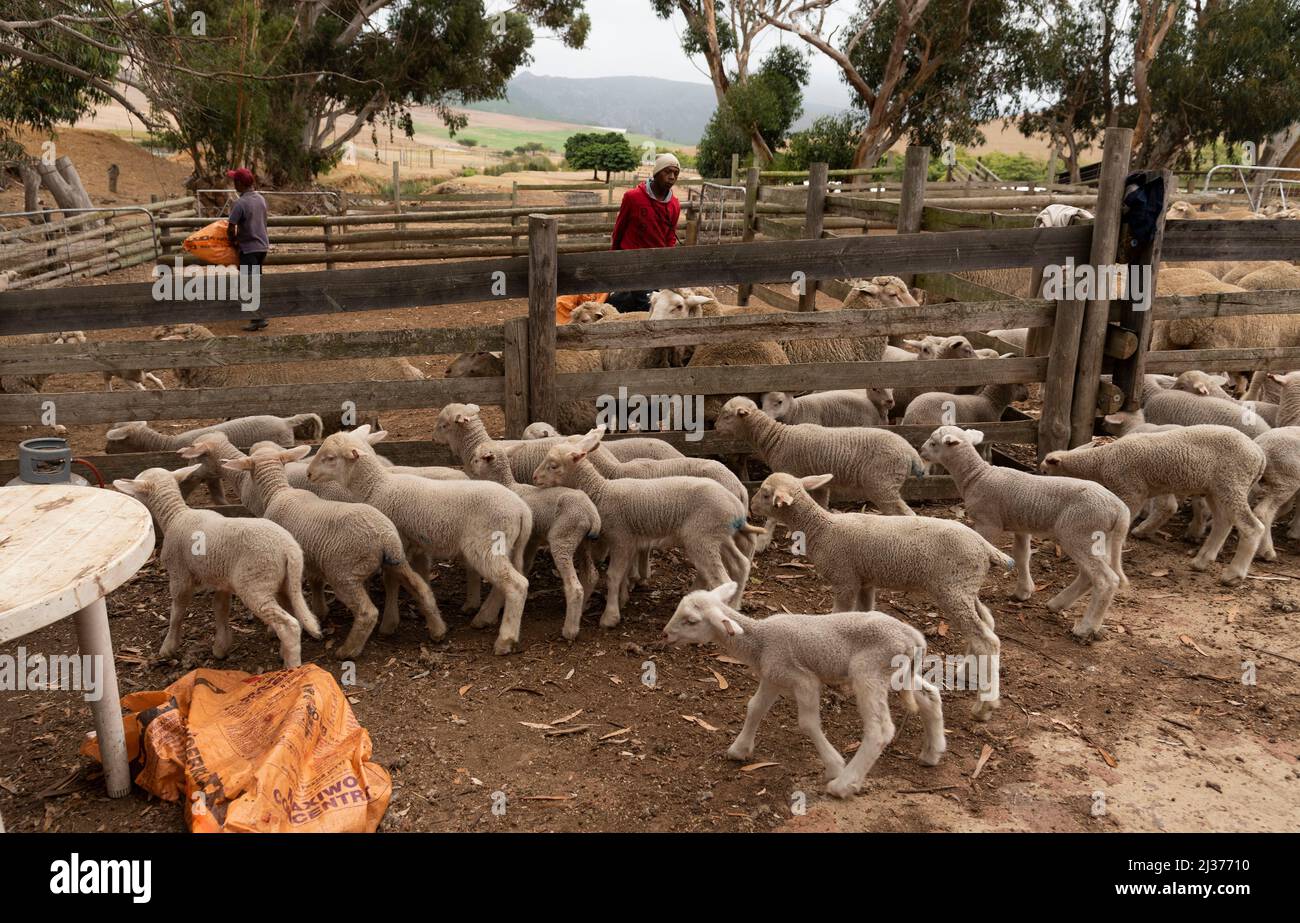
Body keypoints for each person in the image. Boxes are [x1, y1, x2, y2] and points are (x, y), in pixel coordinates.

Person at [606, 152, 681, 311]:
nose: (672, 177)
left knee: (638, 302)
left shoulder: (674, 204)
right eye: (667, 172)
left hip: (656, 264)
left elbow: (670, 237)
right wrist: (614, 260)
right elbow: (619, 229)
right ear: (656, 173)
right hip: (632, 261)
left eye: (675, 173)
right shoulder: (633, 197)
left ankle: (611, 306)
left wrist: (667, 264)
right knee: (647, 303)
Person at [225, 168, 270, 331]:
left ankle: (257, 318)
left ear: (239, 183)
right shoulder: (261, 199)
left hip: (249, 248)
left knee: (248, 283)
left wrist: (233, 242)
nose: (233, 184)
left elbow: (231, 228)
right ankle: (259, 315)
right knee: (256, 280)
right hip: (262, 246)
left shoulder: (240, 203)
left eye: (234, 181)